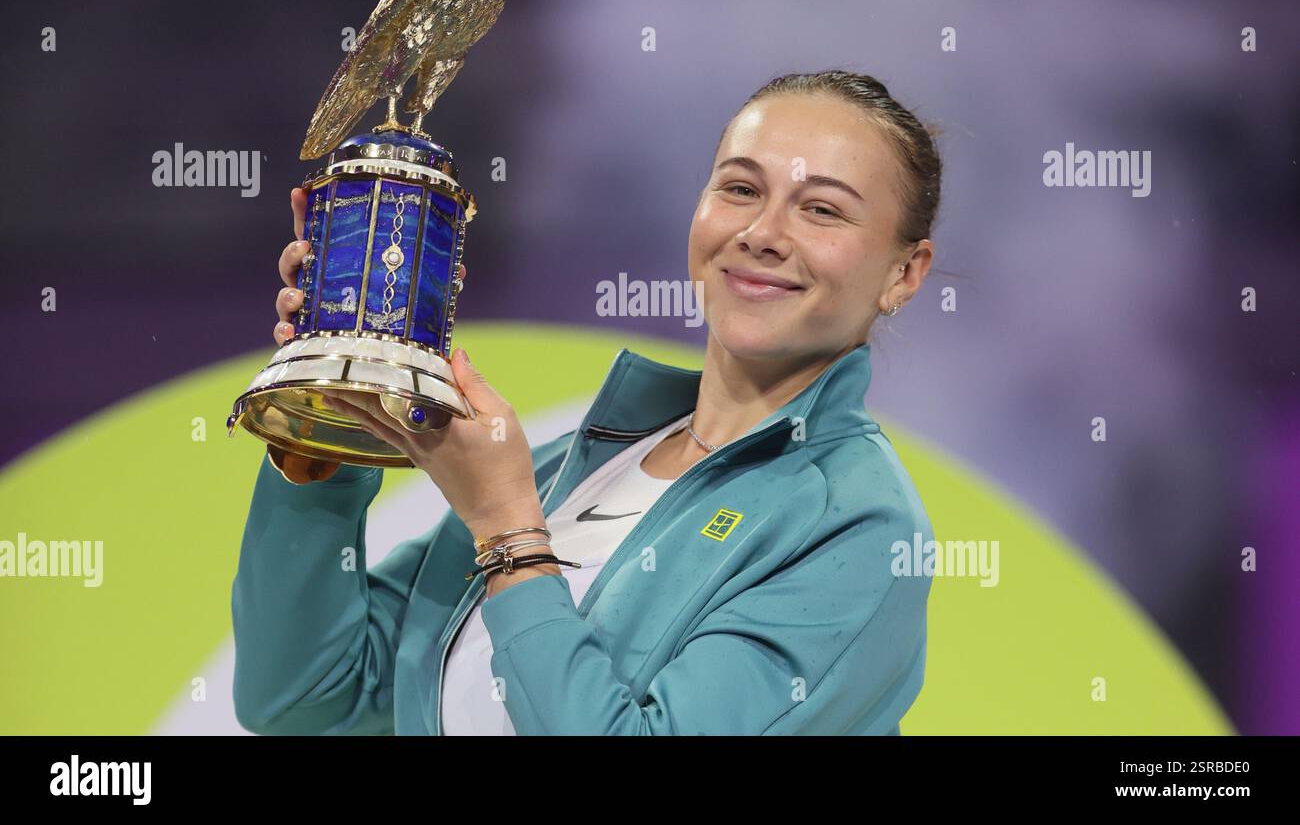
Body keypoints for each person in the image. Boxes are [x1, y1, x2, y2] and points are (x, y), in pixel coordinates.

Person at [231, 68, 941, 735]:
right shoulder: (561, 472)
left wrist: (509, 535)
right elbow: (302, 697)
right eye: (740, 190)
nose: (762, 234)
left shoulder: (858, 524)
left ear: (905, 273)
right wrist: (327, 411)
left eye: (821, 209)